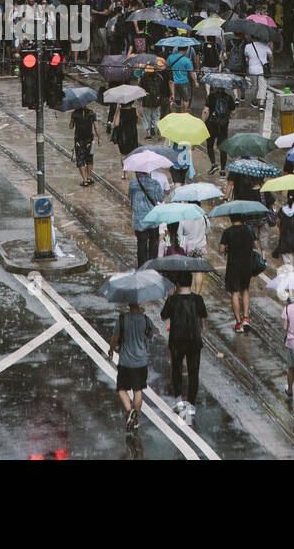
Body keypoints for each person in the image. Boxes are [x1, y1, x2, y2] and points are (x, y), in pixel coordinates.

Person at [160, 271, 206, 421]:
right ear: (191, 282)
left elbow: (163, 316)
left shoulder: (173, 300)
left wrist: (169, 298)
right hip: (194, 339)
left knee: (176, 368)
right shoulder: (197, 300)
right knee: (194, 372)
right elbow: (202, 319)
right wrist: (201, 332)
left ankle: (178, 398)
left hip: (177, 339)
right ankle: (191, 405)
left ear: (178, 283)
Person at [108, 303, 155, 432]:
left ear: (129, 303)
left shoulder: (122, 319)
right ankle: (135, 417)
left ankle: (130, 411)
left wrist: (111, 350)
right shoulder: (146, 320)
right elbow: (150, 335)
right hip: (141, 362)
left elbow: (115, 338)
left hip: (125, 362)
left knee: (122, 389)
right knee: (138, 390)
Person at [219, 217, 258, 333]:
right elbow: (255, 245)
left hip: (233, 266)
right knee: (245, 290)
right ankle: (246, 318)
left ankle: (238, 323)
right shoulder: (248, 230)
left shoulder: (228, 232)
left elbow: (221, 249)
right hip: (247, 265)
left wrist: (228, 249)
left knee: (235, 293)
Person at [128, 170, 163, 268]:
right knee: (154, 243)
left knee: (141, 243)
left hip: (139, 220)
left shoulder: (133, 184)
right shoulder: (155, 183)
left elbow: (130, 199)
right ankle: (152, 267)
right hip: (153, 219)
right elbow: (160, 198)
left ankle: (142, 268)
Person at [201, 84, 234, 175]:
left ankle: (213, 164)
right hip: (223, 125)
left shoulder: (211, 96)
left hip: (211, 124)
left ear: (215, 87)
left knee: (210, 145)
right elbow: (233, 112)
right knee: (223, 147)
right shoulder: (229, 97)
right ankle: (223, 170)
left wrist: (202, 122)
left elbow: (205, 111)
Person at [70, 103, 101, 187]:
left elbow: (71, 126)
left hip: (79, 141)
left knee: (80, 160)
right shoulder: (92, 113)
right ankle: (89, 177)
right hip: (90, 141)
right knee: (89, 159)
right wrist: (99, 138)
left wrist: (73, 119)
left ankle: (84, 180)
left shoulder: (74, 113)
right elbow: (96, 127)